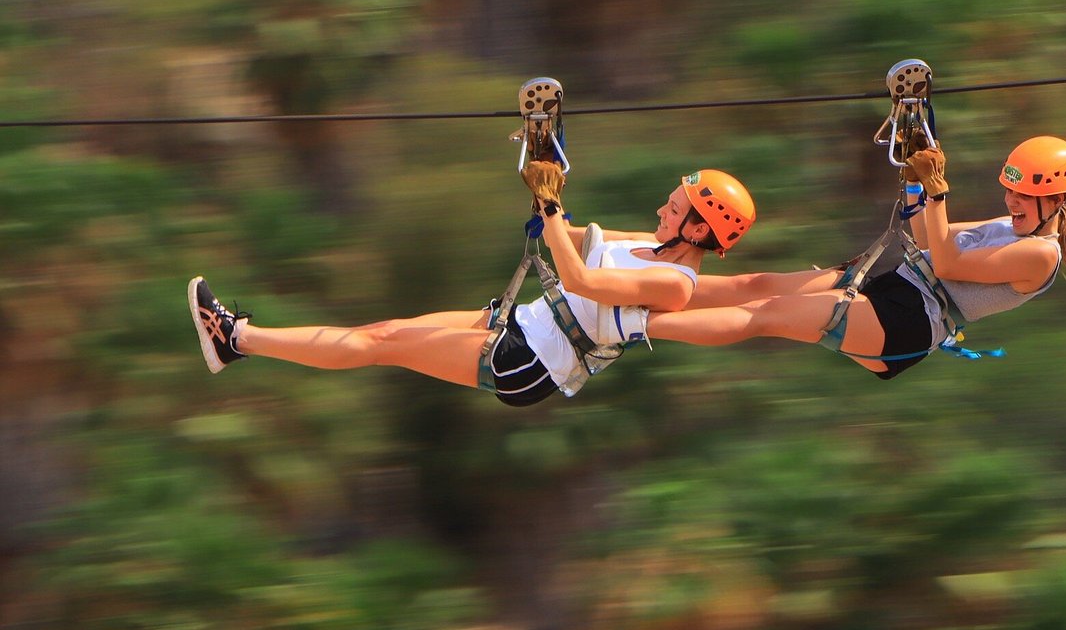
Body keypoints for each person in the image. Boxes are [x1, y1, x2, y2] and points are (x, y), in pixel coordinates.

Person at [188, 166, 757, 406]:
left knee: (381, 342)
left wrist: (552, 206)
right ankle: (236, 342)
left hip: (529, 363)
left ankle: (236, 339)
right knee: (378, 331)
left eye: (675, 208)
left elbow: (580, 277)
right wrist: (546, 176)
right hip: (518, 322)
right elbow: (578, 237)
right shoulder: (651, 248)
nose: (662, 209)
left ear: (699, 229)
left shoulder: (674, 285)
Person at [638, 136, 1066, 378]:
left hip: (910, 325)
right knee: (759, 285)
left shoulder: (1040, 257)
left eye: (1023, 199)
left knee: (765, 315)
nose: (1010, 203)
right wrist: (917, 172)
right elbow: (927, 229)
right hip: (891, 289)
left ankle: (630, 326)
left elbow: (947, 263)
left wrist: (937, 192)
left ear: (1057, 200)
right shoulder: (1008, 228)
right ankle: (643, 288)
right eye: (1009, 192)